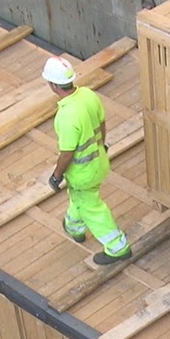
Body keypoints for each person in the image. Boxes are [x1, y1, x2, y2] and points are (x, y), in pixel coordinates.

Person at [43, 56, 131, 266]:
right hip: (99, 161)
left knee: (92, 208)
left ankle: (118, 247)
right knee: (82, 198)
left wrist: (56, 176)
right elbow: (101, 123)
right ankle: (74, 227)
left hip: (82, 172)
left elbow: (67, 153)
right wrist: (101, 146)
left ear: (53, 85)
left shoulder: (66, 115)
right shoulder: (88, 96)